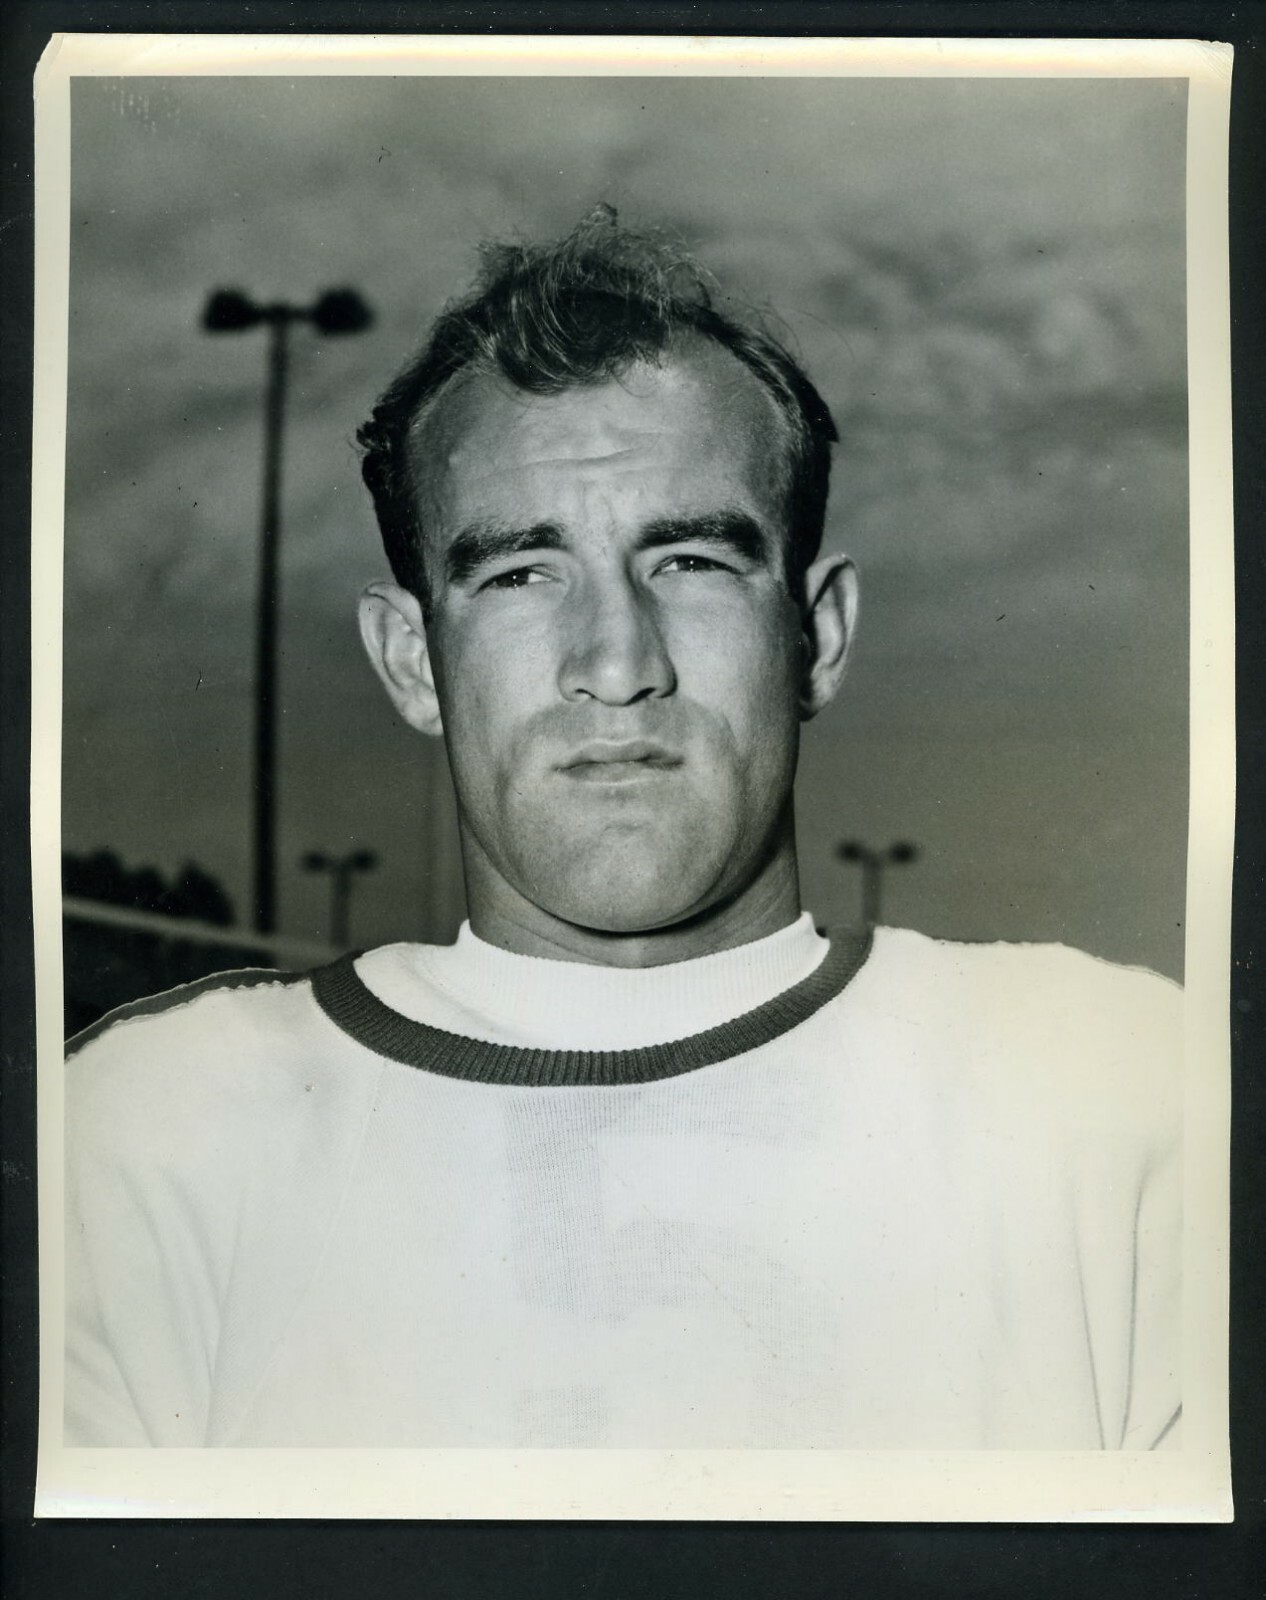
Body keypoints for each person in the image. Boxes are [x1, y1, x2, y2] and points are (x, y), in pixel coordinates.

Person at [64, 209, 1181, 1450]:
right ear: (410, 659)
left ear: (818, 632)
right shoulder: (150, 1134)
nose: (615, 661)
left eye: (694, 561)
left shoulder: (1123, 1098)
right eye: (519, 575)